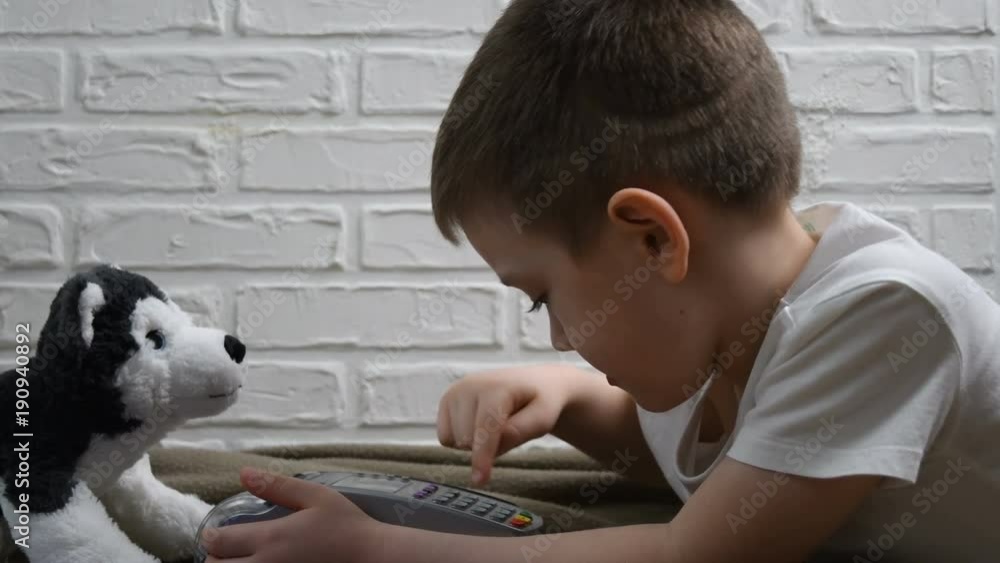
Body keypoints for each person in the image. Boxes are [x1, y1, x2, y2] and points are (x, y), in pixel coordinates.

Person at [201, 0, 1000, 561]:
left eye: (542, 296)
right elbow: (735, 464)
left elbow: (704, 550)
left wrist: (378, 549)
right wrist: (567, 399)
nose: (554, 335)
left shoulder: (885, 313)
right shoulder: (732, 312)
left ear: (652, 239)